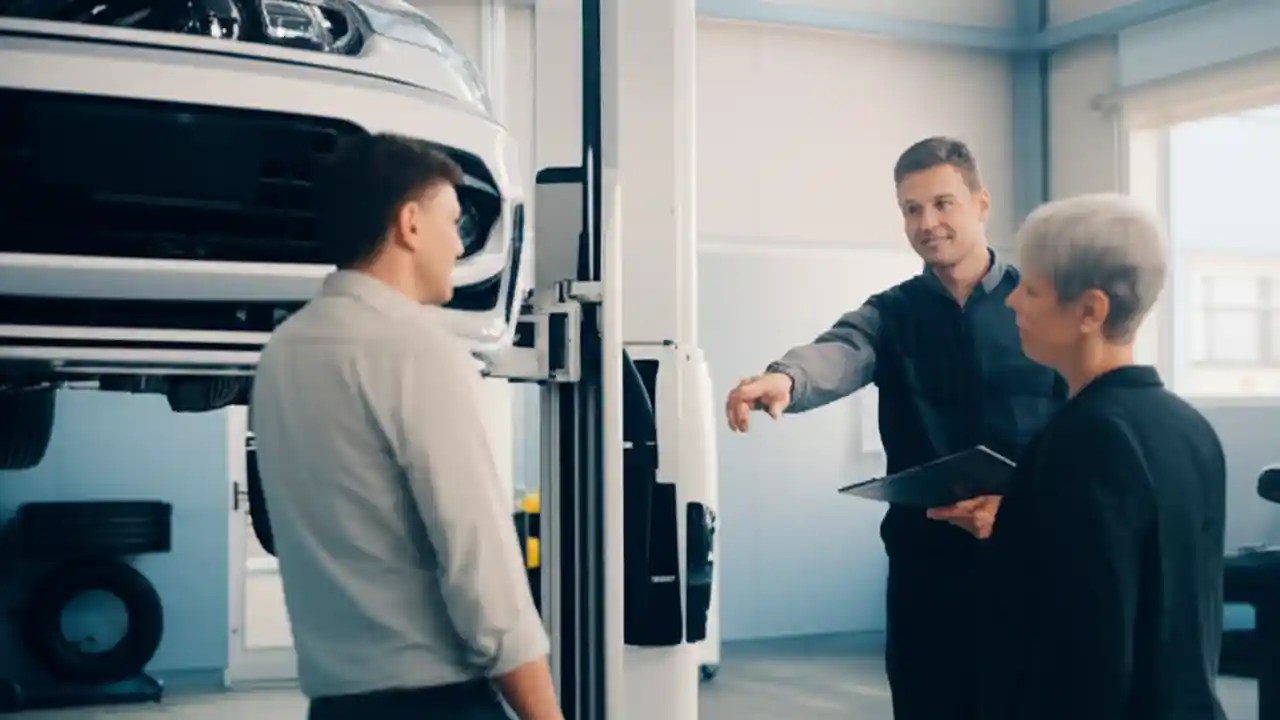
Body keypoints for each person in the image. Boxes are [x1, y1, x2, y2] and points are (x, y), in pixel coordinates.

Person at [724, 136, 1066, 720]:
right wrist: (785, 379)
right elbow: (839, 351)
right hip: (925, 568)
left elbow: (1081, 428)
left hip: (1027, 560)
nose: (927, 223)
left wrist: (1026, 509)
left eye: (943, 203)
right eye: (912, 209)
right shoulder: (892, 313)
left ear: (981, 203)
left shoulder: (1036, 305)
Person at [250, 133, 562, 720]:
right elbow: (481, 567)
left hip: (336, 706)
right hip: (437, 703)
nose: (459, 244)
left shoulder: (283, 352)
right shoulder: (416, 348)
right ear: (410, 224)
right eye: (453, 221)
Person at [929, 193, 1228, 720]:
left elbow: (1089, 648)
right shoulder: (1190, 429)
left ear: (1090, 310)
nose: (1012, 302)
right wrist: (1020, 522)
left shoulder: (1085, 440)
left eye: (1032, 289)